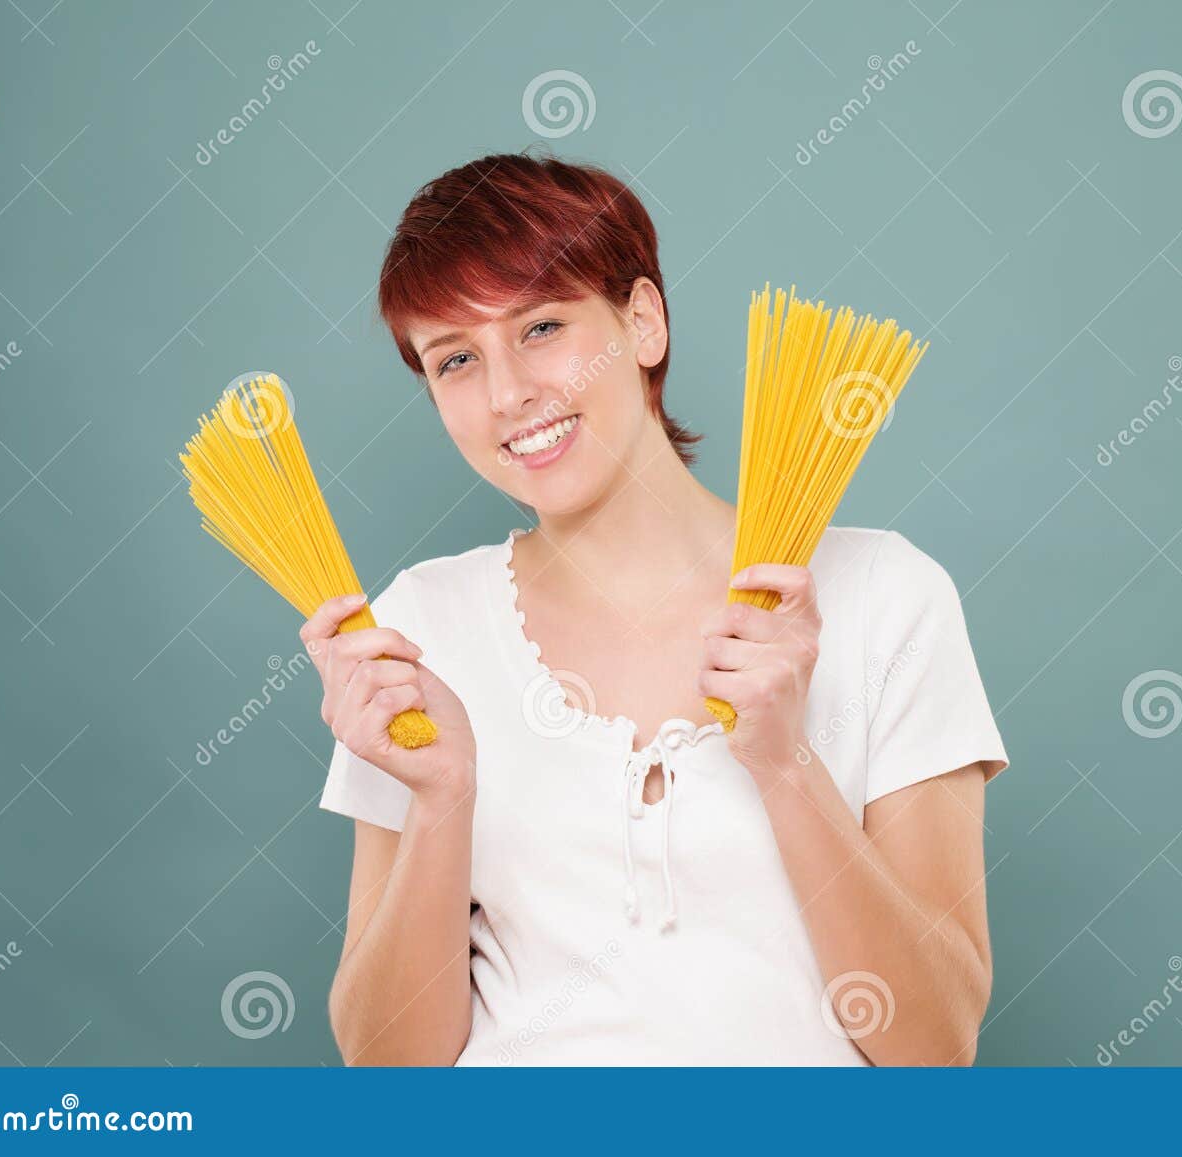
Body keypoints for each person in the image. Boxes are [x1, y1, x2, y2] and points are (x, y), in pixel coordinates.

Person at [307, 152, 1010, 1066]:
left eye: (543, 326)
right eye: (456, 360)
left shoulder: (885, 596)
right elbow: (386, 1068)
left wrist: (785, 764)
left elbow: (936, 1045)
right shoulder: (418, 628)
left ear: (642, 321)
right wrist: (443, 798)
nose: (508, 394)